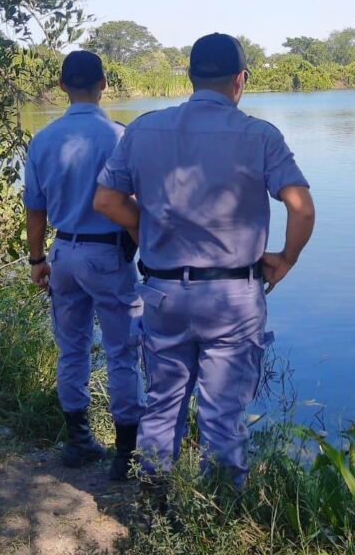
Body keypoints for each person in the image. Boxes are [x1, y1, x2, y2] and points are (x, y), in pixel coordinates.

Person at [93, 32, 315, 488]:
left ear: (190, 78)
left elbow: (107, 201)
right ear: (241, 79)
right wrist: (286, 258)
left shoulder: (143, 129)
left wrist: (146, 230)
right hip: (233, 296)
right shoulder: (260, 136)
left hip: (162, 293)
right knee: (222, 413)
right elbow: (301, 206)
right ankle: (222, 515)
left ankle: (155, 507)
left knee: (163, 403)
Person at [23, 50, 144, 481]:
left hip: (63, 254)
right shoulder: (120, 137)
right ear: (104, 83)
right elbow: (134, 206)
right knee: (122, 352)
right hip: (107, 256)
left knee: (71, 348)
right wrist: (145, 252)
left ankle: (78, 441)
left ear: (61, 87)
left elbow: (35, 212)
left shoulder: (42, 141)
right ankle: (125, 455)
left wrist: (37, 259)